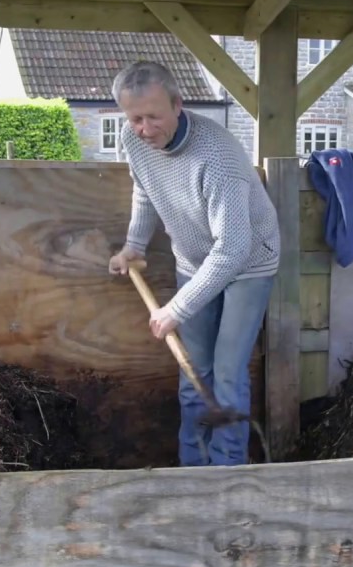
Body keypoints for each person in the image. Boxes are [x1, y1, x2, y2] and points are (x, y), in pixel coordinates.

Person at [107, 60, 280, 468]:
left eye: (154, 117)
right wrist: (135, 245)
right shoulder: (134, 143)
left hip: (248, 263)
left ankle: (226, 474)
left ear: (178, 105)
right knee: (192, 373)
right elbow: (146, 192)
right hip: (194, 259)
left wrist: (177, 308)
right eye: (135, 119)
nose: (145, 129)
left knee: (226, 375)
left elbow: (233, 249)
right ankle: (193, 470)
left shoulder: (218, 157)